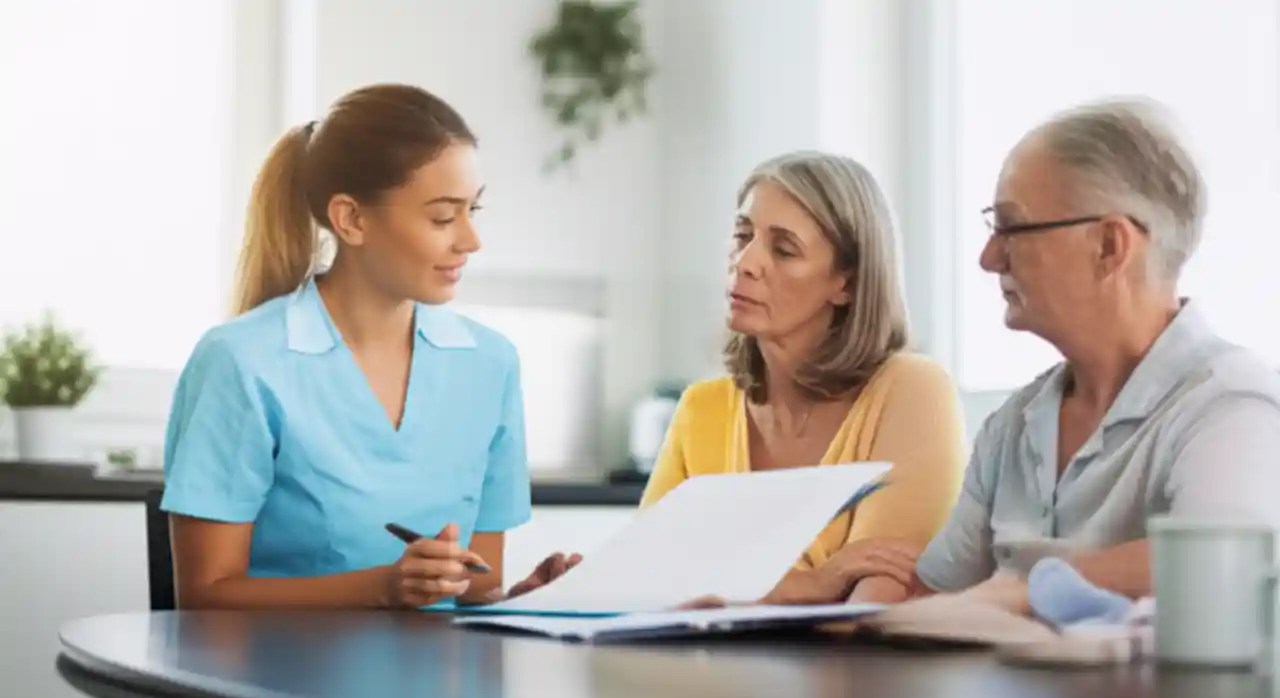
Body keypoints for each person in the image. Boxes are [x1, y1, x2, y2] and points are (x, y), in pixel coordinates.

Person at [162, 84, 573, 610]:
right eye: (443, 217)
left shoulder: (490, 364)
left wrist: (523, 600)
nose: (471, 240)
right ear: (352, 219)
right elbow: (204, 598)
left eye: (474, 210)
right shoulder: (241, 362)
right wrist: (381, 588)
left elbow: (471, 588)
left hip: (441, 667)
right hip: (280, 665)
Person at [913, 99, 1280, 613]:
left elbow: (1219, 560)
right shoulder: (1013, 425)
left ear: (1109, 245)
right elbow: (934, 597)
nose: (988, 258)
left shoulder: (1231, 404)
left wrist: (1022, 588)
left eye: (1011, 228)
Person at [641, 151, 968, 605]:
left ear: (846, 283)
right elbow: (643, 584)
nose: (746, 262)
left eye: (784, 249)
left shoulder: (912, 389)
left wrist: (712, 590)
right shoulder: (702, 408)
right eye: (742, 236)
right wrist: (813, 585)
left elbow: (874, 607)